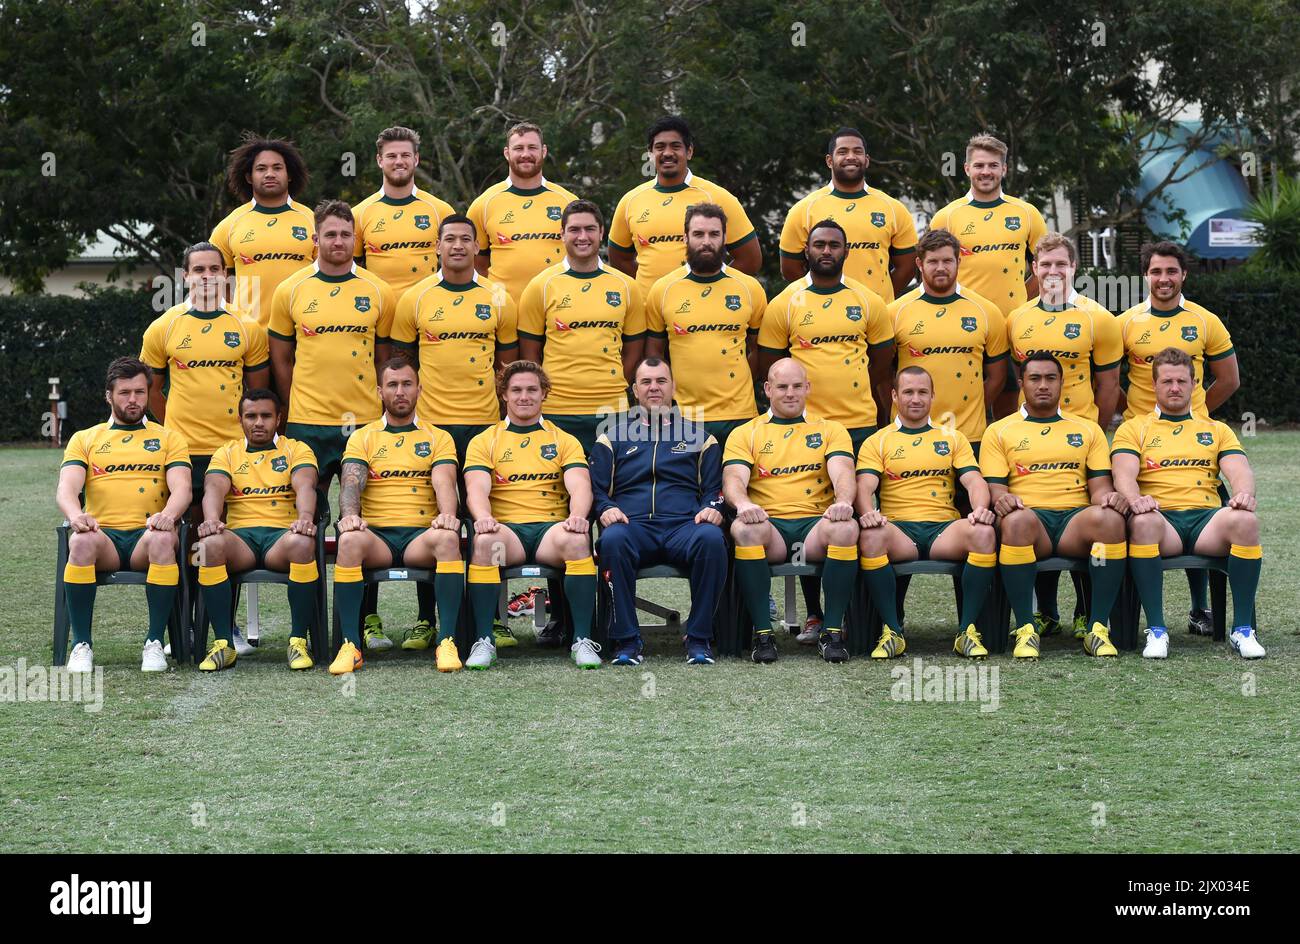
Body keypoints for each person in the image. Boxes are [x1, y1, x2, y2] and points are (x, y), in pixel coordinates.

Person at [760, 219, 893, 642]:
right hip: (806, 432)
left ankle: (866, 617)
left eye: (835, 244)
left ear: (845, 251)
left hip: (857, 426)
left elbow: (882, 363)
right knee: (814, 516)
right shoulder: (785, 302)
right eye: (819, 244)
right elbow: (769, 363)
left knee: (861, 520)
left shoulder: (868, 301)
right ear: (807, 250)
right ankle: (818, 614)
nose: (827, 251)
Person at [388, 213, 518, 648]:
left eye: (466, 239)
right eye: (450, 239)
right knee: (436, 519)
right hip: (432, 428)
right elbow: (400, 366)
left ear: (477, 248)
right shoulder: (415, 299)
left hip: (483, 425)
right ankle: (428, 619)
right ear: (437, 248)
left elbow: (508, 364)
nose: (458, 246)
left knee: (487, 519)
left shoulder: (499, 298)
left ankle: (494, 616)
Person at [1118, 240, 1241, 638]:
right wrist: (1133, 413)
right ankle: (1133, 615)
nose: (1164, 278)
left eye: (1171, 271)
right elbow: (1107, 379)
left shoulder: (1205, 321)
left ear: (1183, 275)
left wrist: (1199, 412)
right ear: (1145, 275)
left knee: (1199, 509)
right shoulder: (1127, 322)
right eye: (1156, 271)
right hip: (1141, 441)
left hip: (1194, 440)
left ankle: (1198, 608)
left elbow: (1229, 379)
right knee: (1136, 518)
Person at [1007, 231, 1123, 642]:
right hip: (1032, 436)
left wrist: (1096, 426)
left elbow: (1109, 384)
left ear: (1074, 268)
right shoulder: (1017, 319)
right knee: (1038, 512)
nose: (1053, 271)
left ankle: (1084, 612)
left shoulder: (1099, 319)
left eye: (1061, 264)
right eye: (1045, 264)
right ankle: (1046, 613)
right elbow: (1012, 382)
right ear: (1033, 269)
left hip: (1082, 438)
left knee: (1084, 518)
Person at [1111, 347, 1264, 659]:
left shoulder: (1215, 429)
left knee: (1246, 521)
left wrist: (1244, 494)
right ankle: (1157, 630)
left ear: (1195, 384)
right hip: (1161, 520)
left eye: (1182, 381)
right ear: (1154, 385)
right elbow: (1123, 474)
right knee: (1141, 522)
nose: (1175, 388)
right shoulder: (1134, 428)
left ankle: (1242, 630)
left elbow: (1239, 470)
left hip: (1207, 522)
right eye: (1167, 381)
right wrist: (1135, 499)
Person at [980, 353, 1129, 659]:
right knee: (1016, 520)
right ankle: (1026, 629)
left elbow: (1099, 488)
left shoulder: (1088, 429)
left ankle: (1097, 627)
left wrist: (1110, 498)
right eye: (1035, 379)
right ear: (1021, 384)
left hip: (1075, 523)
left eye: (1051, 378)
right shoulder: (999, 431)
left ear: (1062, 383)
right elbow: (995, 488)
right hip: (1032, 525)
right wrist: (1001, 499)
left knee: (1111, 520)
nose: (1043, 385)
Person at [329, 357, 465, 675]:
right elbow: (351, 481)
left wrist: (447, 514)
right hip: (378, 536)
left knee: (447, 538)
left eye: (406, 384)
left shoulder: (438, 437)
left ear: (419, 389)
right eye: (392, 385)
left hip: (421, 534)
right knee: (348, 540)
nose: (400, 391)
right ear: (380, 391)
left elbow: (444, 480)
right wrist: (349, 515)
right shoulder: (363, 437)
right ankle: (351, 645)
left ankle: (446, 641)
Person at [588, 358, 727, 665]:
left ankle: (699, 636)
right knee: (612, 540)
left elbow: (716, 490)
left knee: (712, 539)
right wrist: (606, 507)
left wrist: (712, 508)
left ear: (673, 387)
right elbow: (595, 490)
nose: (654, 388)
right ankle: (626, 641)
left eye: (661, 381)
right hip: (634, 527)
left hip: (684, 527)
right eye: (647, 382)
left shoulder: (701, 437)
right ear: (634, 389)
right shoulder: (611, 437)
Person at [55, 358, 191, 673]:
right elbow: (66, 488)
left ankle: (154, 643)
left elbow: (182, 488)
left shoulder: (169, 438)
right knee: (80, 544)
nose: (133, 400)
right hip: (105, 539)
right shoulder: (85, 439)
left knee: (161, 541)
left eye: (140, 392)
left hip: (146, 535)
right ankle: (81, 645)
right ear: (109, 395)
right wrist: (76, 516)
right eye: (125, 393)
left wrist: (169, 514)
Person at [268, 199, 398, 524]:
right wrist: (291, 405)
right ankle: (309, 576)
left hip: (363, 422)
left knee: (363, 517)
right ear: (315, 240)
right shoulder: (289, 290)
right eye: (330, 235)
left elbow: (385, 360)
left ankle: (358, 577)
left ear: (355, 239)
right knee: (304, 520)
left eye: (345, 234)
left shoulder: (379, 291)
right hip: (308, 422)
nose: (338, 241)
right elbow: (281, 359)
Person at [855, 367, 998, 660]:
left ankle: (967, 631)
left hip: (942, 530)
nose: (915, 399)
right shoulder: (878, 441)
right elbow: (864, 485)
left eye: (922, 392)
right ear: (894, 396)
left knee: (983, 533)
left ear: (933, 396)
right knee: (870, 536)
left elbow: (973, 481)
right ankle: (893, 631)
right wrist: (868, 512)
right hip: (899, 530)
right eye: (908, 392)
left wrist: (981, 509)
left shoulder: (952, 438)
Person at [723, 359, 860, 665]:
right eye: (782, 387)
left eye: (797, 386)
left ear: (808, 388)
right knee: (743, 530)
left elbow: (843, 473)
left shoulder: (831, 429)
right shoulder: (745, 433)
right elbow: (733, 479)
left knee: (846, 528)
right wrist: (743, 504)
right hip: (771, 527)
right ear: (768, 390)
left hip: (814, 526)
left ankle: (831, 631)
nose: (790, 393)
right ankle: (763, 634)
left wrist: (844, 501)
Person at [463, 361, 598, 670]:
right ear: (504, 395)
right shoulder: (485, 440)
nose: (524, 397)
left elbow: (580, 485)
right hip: (507, 533)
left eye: (532, 390)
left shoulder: (563, 440)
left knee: (578, 541)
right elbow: (476, 488)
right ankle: (485, 640)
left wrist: (578, 515)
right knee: (484, 543)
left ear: (544, 394)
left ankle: (581, 641)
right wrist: (482, 516)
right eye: (517, 390)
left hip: (549, 532)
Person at [194, 388, 320, 671]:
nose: (258, 422)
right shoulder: (227, 452)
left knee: (302, 543)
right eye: (251, 416)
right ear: (240, 419)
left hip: (281, 536)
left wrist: (306, 517)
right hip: (242, 539)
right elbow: (214, 487)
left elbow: (305, 485)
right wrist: (212, 518)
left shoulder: (297, 449)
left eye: (266, 416)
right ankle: (224, 645)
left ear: (279, 418)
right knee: (208, 545)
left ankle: (298, 641)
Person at [645, 202, 766, 447]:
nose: (706, 242)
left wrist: (741, 383)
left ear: (725, 237)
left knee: (738, 484)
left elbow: (761, 350)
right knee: (689, 485)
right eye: (698, 234)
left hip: (739, 416)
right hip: (684, 416)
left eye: (714, 234)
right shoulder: (663, 289)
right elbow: (654, 353)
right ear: (685, 237)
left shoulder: (749, 288)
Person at [608, 115, 761, 293]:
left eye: (676, 146)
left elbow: (751, 260)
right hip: (649, 315)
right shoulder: (631, 200)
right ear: (650, 154)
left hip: (700, 313)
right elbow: (619, 260)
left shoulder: (717, 197)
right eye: (659, 147)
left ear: (689, 151)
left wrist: (713, 289)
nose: (667, 153)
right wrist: (652, 292)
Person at [886, 228, 1008, 450]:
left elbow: (998, 376)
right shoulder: (895, 313)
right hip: (909, 433)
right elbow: (883, 376)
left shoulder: (987, 312)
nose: (941, 268)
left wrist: (972, 411)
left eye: (947, 261)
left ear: (958, 262)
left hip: (969, 436)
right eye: (932, 262)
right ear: (919, 264)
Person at [779, 126, 918, 304]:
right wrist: (819, 296)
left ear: (866, 160)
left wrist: (877, 301)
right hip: (823, 312)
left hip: (877, 319)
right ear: (829, 161)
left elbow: (907, 267)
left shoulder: (893, 208)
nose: (851, 156)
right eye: (842, 152)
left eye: (857, 151)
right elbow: (790, 269)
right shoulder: (803, 209)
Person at [466, 122, 580, 304]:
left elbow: (583, 256)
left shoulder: (569, 202)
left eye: (532, 148)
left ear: (543, 151)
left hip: (558, 309)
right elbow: (476, 265)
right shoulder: (483, 204)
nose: (525, 154)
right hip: (504, 309)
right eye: (518, 148)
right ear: (507, 153)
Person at [209, 133, 316, 327]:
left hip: (303, 334)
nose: (269, 174)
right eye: (261, 168)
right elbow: (215, 285)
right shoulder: (229, 225)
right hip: (251, 336)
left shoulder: (313, 221)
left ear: (289, 174)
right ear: (249, 177)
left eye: (277, 168)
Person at [353, 126, 457, 295]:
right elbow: (351, 272)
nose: (399, 161)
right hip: (380, 313)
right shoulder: (359, 214)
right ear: (379, 160)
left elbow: (459, 267)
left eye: (405, 155)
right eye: (392, 156)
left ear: (416, 159)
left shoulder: (441, 210)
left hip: (427, 312)